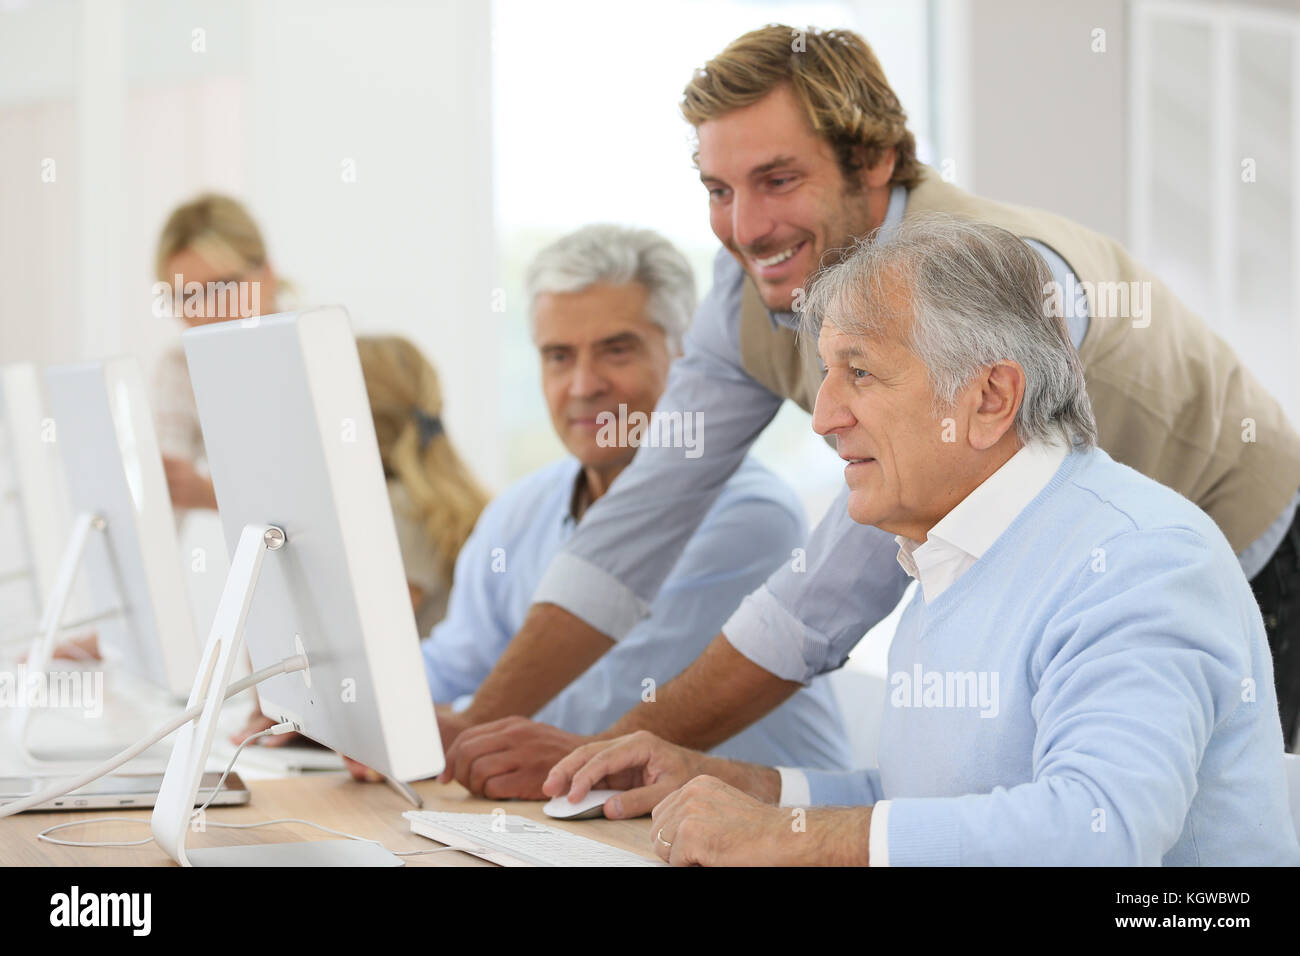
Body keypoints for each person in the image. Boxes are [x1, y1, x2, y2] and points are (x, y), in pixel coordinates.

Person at [440, 25, 1300, 796]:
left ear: (876, 161)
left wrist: (598, 755)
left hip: (1252, 555)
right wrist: (476, 732)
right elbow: (640, 519)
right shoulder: (747, 287)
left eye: (777, 179)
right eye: (718, 189)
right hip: (1050, 586)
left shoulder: (1000, 280)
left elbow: (834, 591)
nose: (746, 227)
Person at [544, 216, 1300, 866]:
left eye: (861, 372)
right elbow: (922, 808)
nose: (824, 415)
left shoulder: (1141, 558)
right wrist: (741, 786)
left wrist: (789, 840)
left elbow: (1098, 830)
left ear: (990, 399)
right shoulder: (946, 555)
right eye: (826, 374)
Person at [406, 224, 848, 794]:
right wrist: (361, 706)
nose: (584, 385)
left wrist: (443, 728)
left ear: (687, 353)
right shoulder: (520, 509)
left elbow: (589, 708)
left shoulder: (750, 515)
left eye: (617, 350)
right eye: (558, 357)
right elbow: (456, 660)